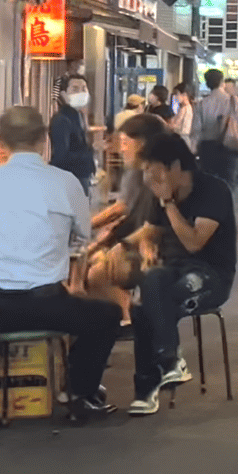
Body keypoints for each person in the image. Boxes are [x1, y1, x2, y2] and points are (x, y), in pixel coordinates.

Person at [0, 107, 120, 423]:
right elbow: (84, 232)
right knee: (107, 315)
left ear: (1, 142)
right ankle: (76, 394)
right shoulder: (65, 182)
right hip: (51, 306)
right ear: (45, 139)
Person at [123, 132, 238, 415]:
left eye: (153, 169)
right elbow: (150, 232)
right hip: (172, 271)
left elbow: (194, 242)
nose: (148, 176)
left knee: (154, 302)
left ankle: (154, 378)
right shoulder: (161, 194)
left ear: (175, 167)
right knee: (147, 291)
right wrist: (141, 247)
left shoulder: (213, 191)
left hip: (211, 276)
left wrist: (169, 203)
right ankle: (169, 364)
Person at [84, 112, 172, 324]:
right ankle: (120, 317)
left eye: (125, 142)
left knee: (97, 272)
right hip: (140, 242)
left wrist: (116, 244)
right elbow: (132, 217)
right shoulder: (143, 170)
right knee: (89, 261)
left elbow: (152, 225)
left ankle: (123, 320)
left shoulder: (161, 175)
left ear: (142, 143)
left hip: (161, 250)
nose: (120, 148)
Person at [193, 68, 238, 187]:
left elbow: (196, 129)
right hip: (229, 145)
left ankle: (212, 204)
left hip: (207, 146)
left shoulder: (201, 103)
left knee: (209, 182)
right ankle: (226, 204)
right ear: (222, 83)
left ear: (207, 84)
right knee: (228, 181)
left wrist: (194, 147)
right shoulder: (233, 100)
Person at [49, 74, 97, 198]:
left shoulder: (77, 115)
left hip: (82, 176)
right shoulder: (62, 120)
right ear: (64, 95)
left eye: (84, 88)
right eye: (75, 89)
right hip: (71, 179)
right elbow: (61, 156)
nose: (81, 93)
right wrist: (89, 153)